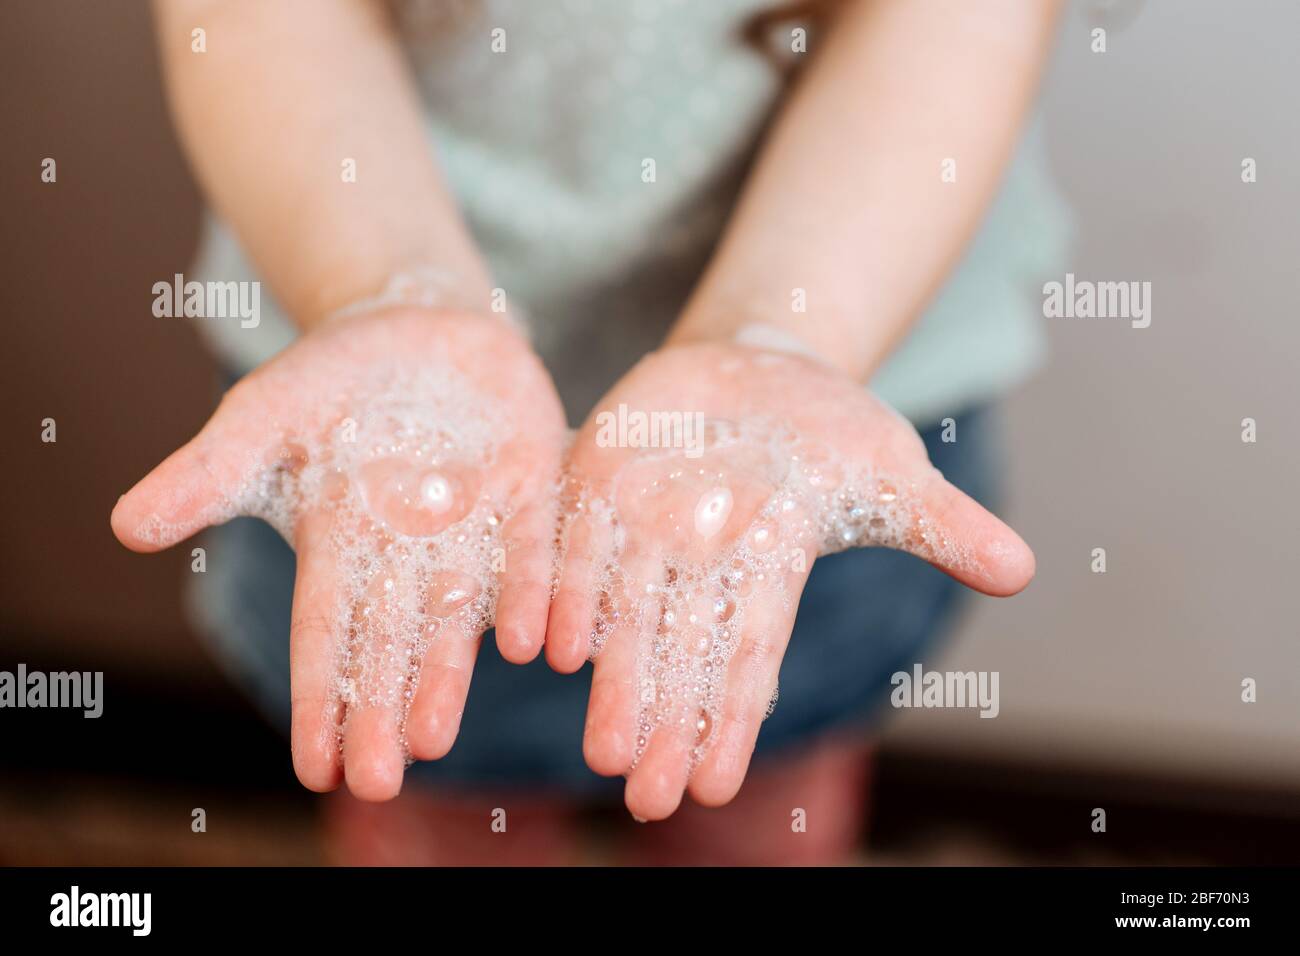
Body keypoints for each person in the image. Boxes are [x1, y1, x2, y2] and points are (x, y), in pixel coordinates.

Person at [113, 0, 1070, 865]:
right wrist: (387, 286)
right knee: (420, 784)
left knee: (760, 779)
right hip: (370, 415)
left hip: (826, 398)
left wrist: (779, 333)